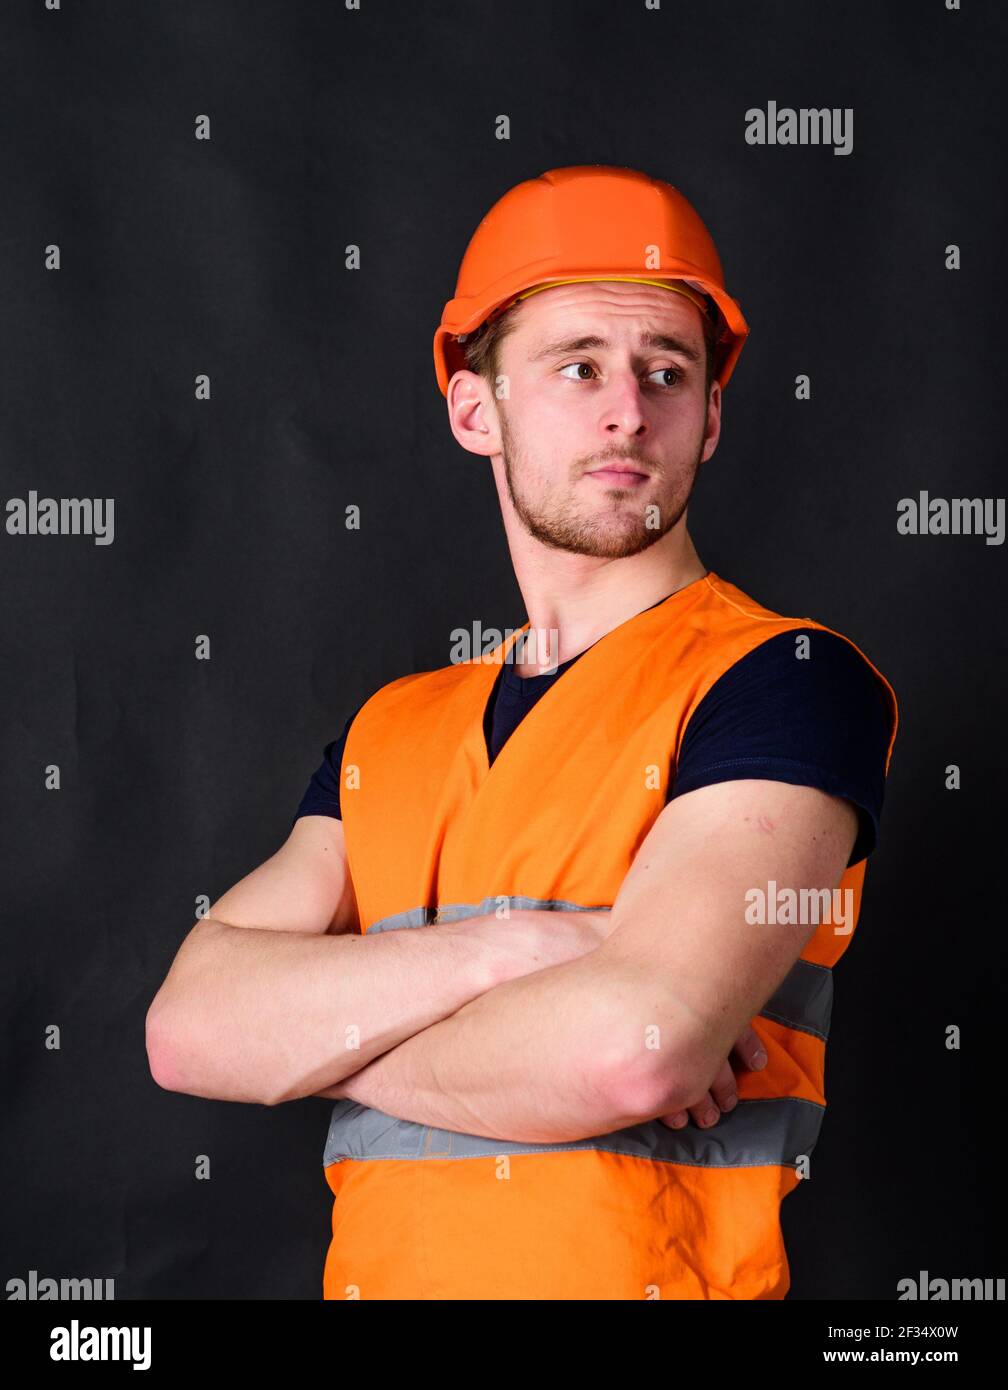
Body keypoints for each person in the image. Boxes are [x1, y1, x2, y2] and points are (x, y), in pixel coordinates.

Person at [146, 165, 898, 1300]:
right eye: (578, 364)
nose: (627, 409)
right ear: (473, 408)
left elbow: (631, 1048)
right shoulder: (390, 730)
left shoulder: (780, 680)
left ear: (712, 416)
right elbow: (191, 1031)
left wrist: (317, 1051)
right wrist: (514, 953)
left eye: (668, 371)